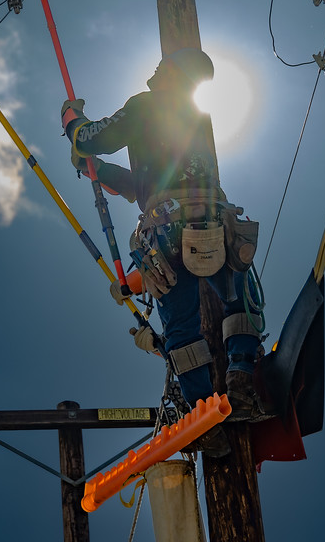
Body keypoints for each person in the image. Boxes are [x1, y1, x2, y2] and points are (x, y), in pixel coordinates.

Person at [62, 48, 266, 457]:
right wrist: (95, 170)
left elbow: (91, 138)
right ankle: (241, 376)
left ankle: (204, 414)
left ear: (176, 74)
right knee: (241, 298)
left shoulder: (146, 105)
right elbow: (148, 181)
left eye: (164, 66)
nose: (156, 70)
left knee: (182, 327)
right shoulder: (199, 118)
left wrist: (72, 120)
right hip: (215, 220)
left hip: (168, 228)